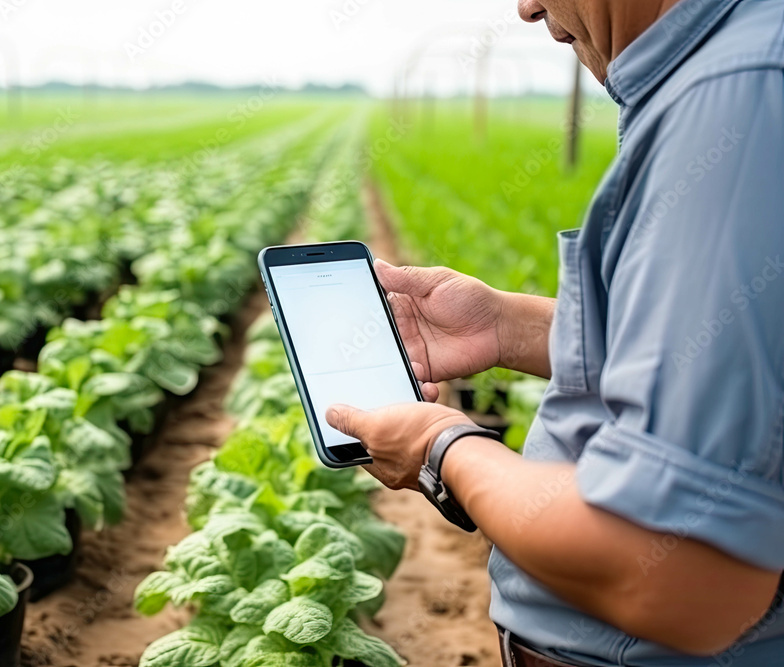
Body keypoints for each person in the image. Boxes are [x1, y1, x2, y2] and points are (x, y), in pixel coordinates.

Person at [325, 0, 784, 665]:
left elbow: (673, 571)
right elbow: (738, 359)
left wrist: (441, 446)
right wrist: (509, 326)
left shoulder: (736, 94)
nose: (526, 7)